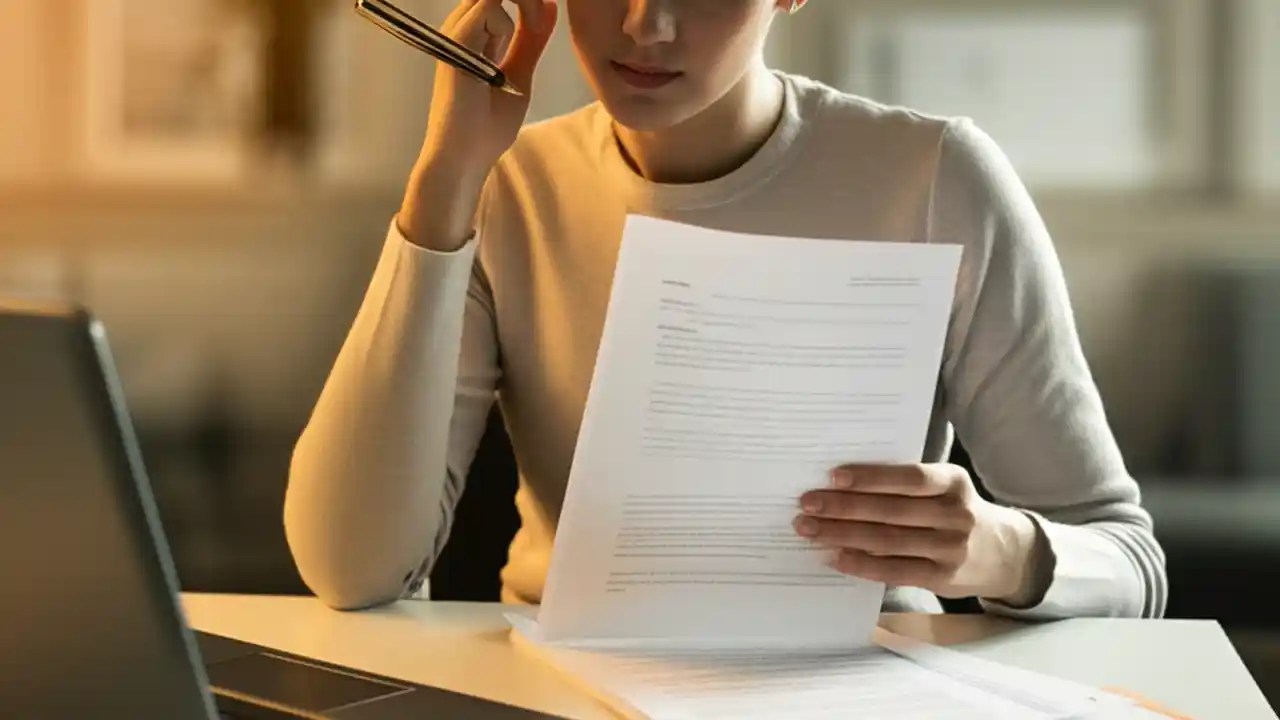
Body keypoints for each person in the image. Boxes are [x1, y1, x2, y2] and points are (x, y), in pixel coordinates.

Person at [283, 0, 1167, 619]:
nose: (645, 23)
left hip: (859, 688)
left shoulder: (937, 179)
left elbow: (1129, 564)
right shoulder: (507, 186)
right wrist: (445, 178)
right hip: (559, 689)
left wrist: (997, 552)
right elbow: (352, 571)